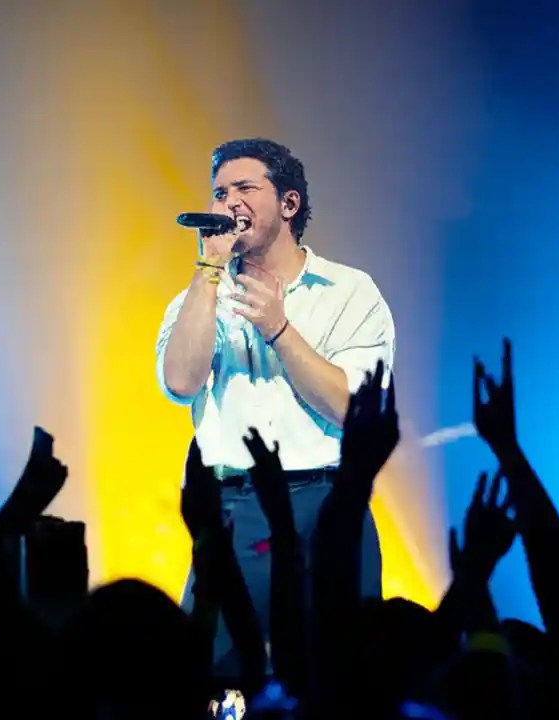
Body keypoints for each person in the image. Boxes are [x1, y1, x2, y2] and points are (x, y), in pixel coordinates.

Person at [156, 138, 395, 677]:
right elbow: (180, 382)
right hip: (234, 506)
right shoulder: (201, 296)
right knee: (209, 670)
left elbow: (354, 408)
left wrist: (279, 329)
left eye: (244, 188)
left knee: (341, 672)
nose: (228, 202)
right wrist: (208, 269)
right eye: (220, 192)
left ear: (289, 203)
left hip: (326, 501)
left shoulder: (348, 292)